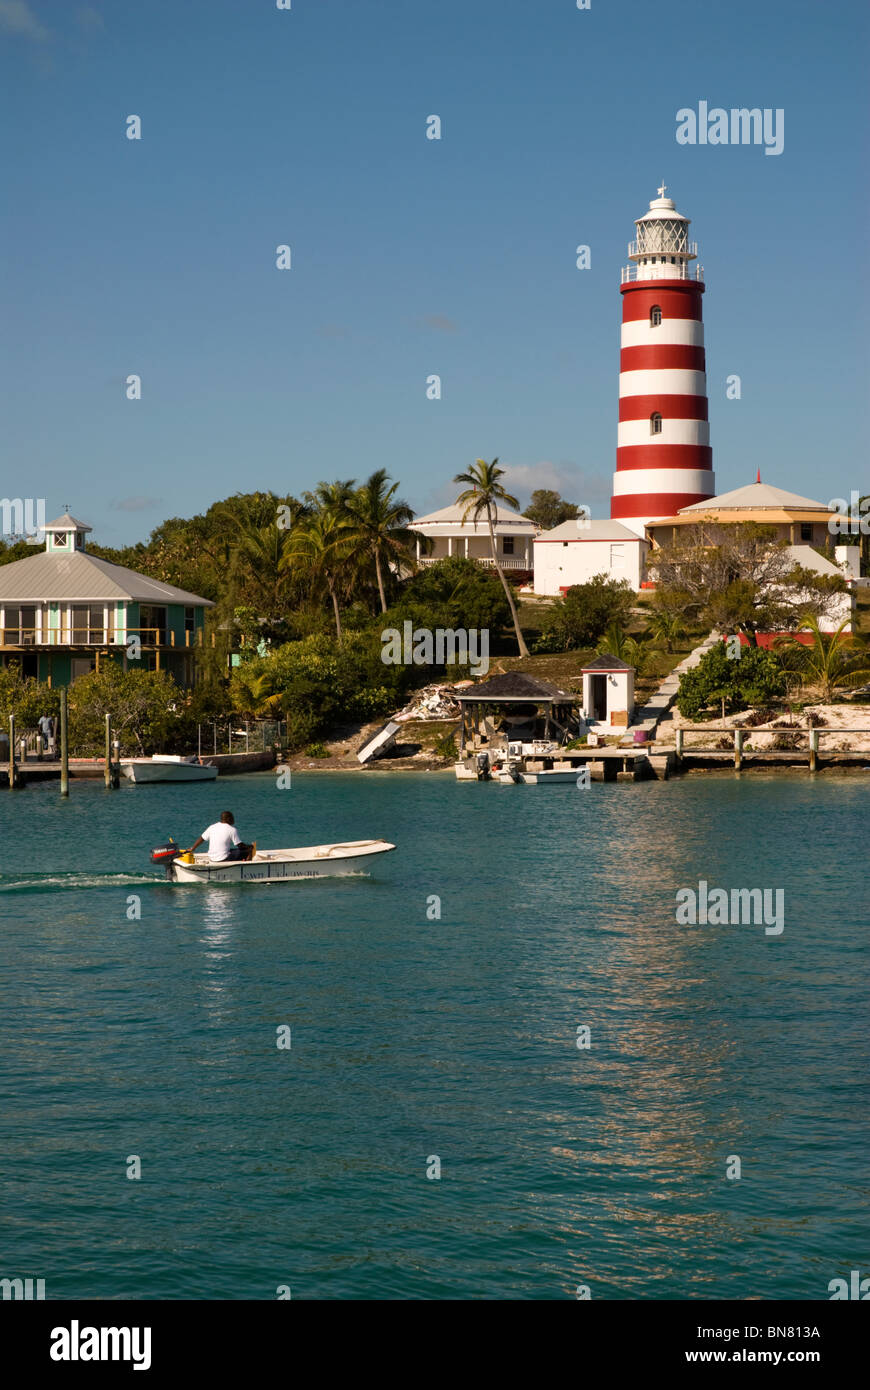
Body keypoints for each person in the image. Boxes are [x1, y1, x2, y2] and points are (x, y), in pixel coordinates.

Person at [186, 811, 254, 862]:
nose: (234, 820)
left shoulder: (212, 827)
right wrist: (250, 847)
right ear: (228, 819)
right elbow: (240, 846)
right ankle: (247, 866)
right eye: (232, 818)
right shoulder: (232, 829)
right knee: (247, 850)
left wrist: (193, 848)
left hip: (212, 857)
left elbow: (201, 838)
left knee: (231, 850)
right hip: (224, 859)